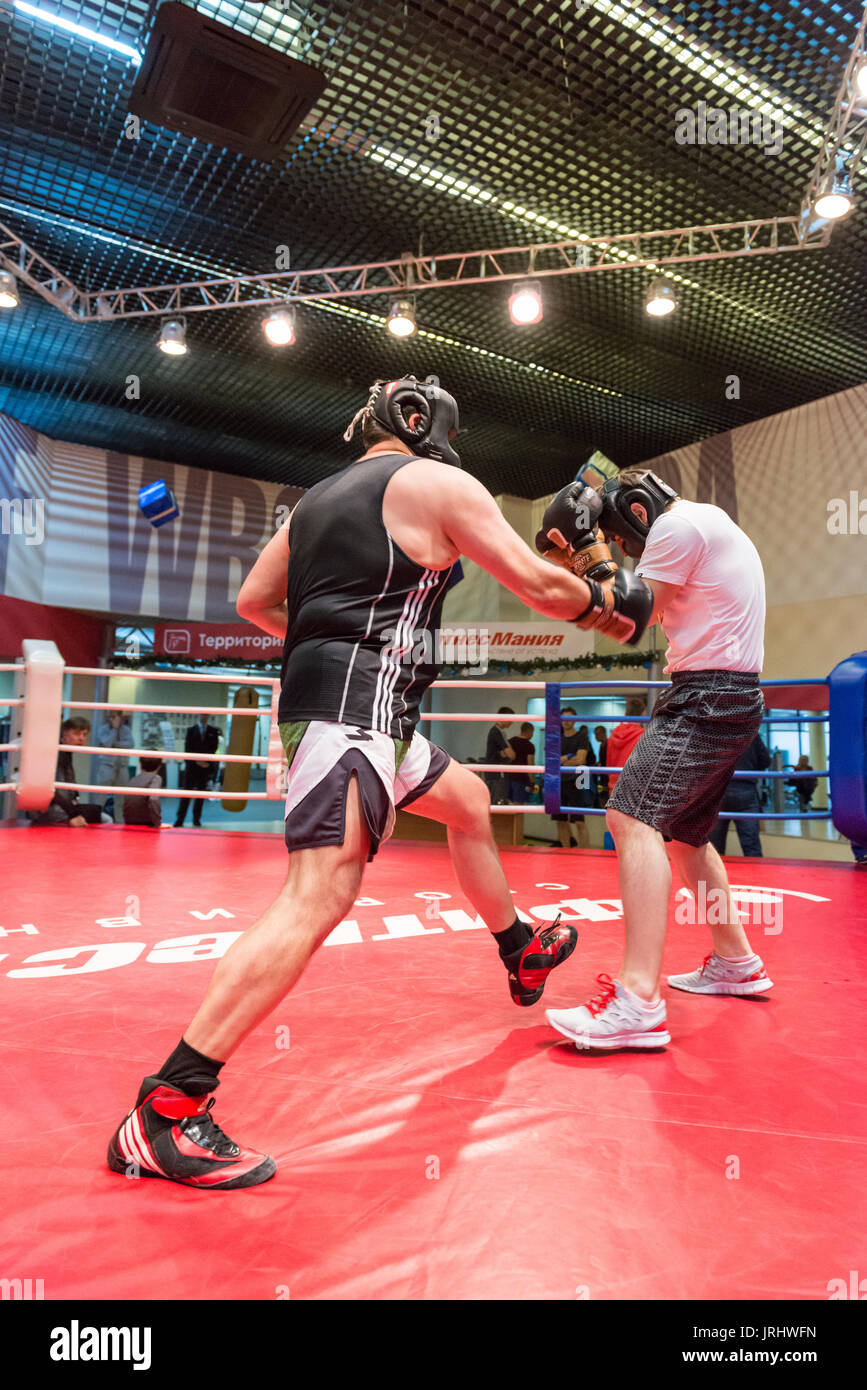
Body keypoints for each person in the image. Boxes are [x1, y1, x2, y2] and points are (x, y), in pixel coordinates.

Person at [108, 373, 653, 1188]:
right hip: (353, 715)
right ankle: (168, 1109)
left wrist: (336, 634)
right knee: (318, 894)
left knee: (467, 804)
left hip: (363, 714)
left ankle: (519, 947)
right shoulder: (437, 482)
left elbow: (255, 600)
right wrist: (608, 598)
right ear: (422, 421)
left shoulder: (316, 500)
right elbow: (539, 587)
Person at [537, 465, 771, 1052]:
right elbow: (641, 607)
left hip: (708, 696)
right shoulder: (705, 522)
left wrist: (587, 556)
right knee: (688, 838)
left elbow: (625, 621)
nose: (619, 546)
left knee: (630, 819)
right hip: (729, 695)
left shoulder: (676, 529)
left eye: (617, 536)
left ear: (637, 513)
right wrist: (588, 563)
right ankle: (735, 960)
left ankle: (637, 1002)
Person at [28, 718, 108, 826]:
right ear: (64, 735)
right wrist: (73, 814)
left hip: (53, 808)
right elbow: (56, 791)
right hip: (49, 810)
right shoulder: (56, 754)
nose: (81, 739)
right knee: (105, 819)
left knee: (98, 812)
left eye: (84, 735)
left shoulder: (64, 753)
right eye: (76, 734)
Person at [709, 732, 771, 858]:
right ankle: (756, 876)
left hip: (717, 791)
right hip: (746, 789)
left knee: (715, 848)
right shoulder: (751, 733)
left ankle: (710, 878)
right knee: (751, 846)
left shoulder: (714, 732)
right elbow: (765, 761)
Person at [551, 707, 591, 848]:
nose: (566, 722)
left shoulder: (581, 736)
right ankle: (565, 853)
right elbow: (551, 760)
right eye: (564, 719)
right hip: (558, 782)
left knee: (579, 821)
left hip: (577, 781)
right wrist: (569, 758)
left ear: (574, 720)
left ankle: (585, 854)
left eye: (569, 718)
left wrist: (562, 760)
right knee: (560, 820)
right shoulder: (556, 738)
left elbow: (581, 759)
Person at [173, 715, 221, 827]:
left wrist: (206, 762)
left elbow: (214, 748)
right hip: (192, 767)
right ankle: (180, 819)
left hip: (205, 767)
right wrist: (197, 761)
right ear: (199, 716)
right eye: (202, 715)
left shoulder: (213, 731)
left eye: (206, 715)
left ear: (208, 716)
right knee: (186, 794)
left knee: (200, 795)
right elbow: (187, 749)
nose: (204, 717)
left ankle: (196, 819)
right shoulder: (191, 730)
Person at [94, 711, 133, 818]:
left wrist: (115, 745)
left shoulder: (126, 730)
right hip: (107, 765)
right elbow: (107, 743)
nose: (112, 719)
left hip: (122, 766)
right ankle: (97, 819)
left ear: (121, 717)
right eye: (110, 717)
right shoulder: (103, 729)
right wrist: (115, 729)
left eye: (114, 717)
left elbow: (130, 744)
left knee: (121, 799)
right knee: (100, 797)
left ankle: (120, 823)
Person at [605, 695, 648, 793]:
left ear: (626, 714)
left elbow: (609, 762)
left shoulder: (613, 734)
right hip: (635, 788)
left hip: (614, 786)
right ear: (643, 714)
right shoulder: (644, 735)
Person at [484, 707, 516, 805]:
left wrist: (506, 754)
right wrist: (506, 754)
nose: (512, 722)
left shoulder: (500, 732)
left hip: (496, 773)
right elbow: (511, 755)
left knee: (500, 801)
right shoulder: (495, 732)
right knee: (497, 802)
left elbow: (510, 754)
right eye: (510, 719)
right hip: (495, 774)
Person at [123, 757, 164, 828]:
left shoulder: (133, 779)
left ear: (140, 765)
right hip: (146, 823)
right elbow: (154, 799)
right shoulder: (156, 778)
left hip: (129, 821)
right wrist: (158, 824)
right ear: (159, 766)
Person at [507, 721, 537, 804]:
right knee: (519, 806)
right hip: (521, 778)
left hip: (508, 777)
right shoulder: (529, 746)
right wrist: (532, 781)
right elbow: (530, 763)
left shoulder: (510, 741)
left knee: (508, 805)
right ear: (530, 731)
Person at [593, 724, 608, 804]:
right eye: (595, 734)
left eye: (597, 734)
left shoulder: (609, 744)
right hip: (603, 774)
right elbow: (602, 759)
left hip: (608, 774)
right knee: (602, 795)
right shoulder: (601, 745)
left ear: (604, 733)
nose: (596, 736)